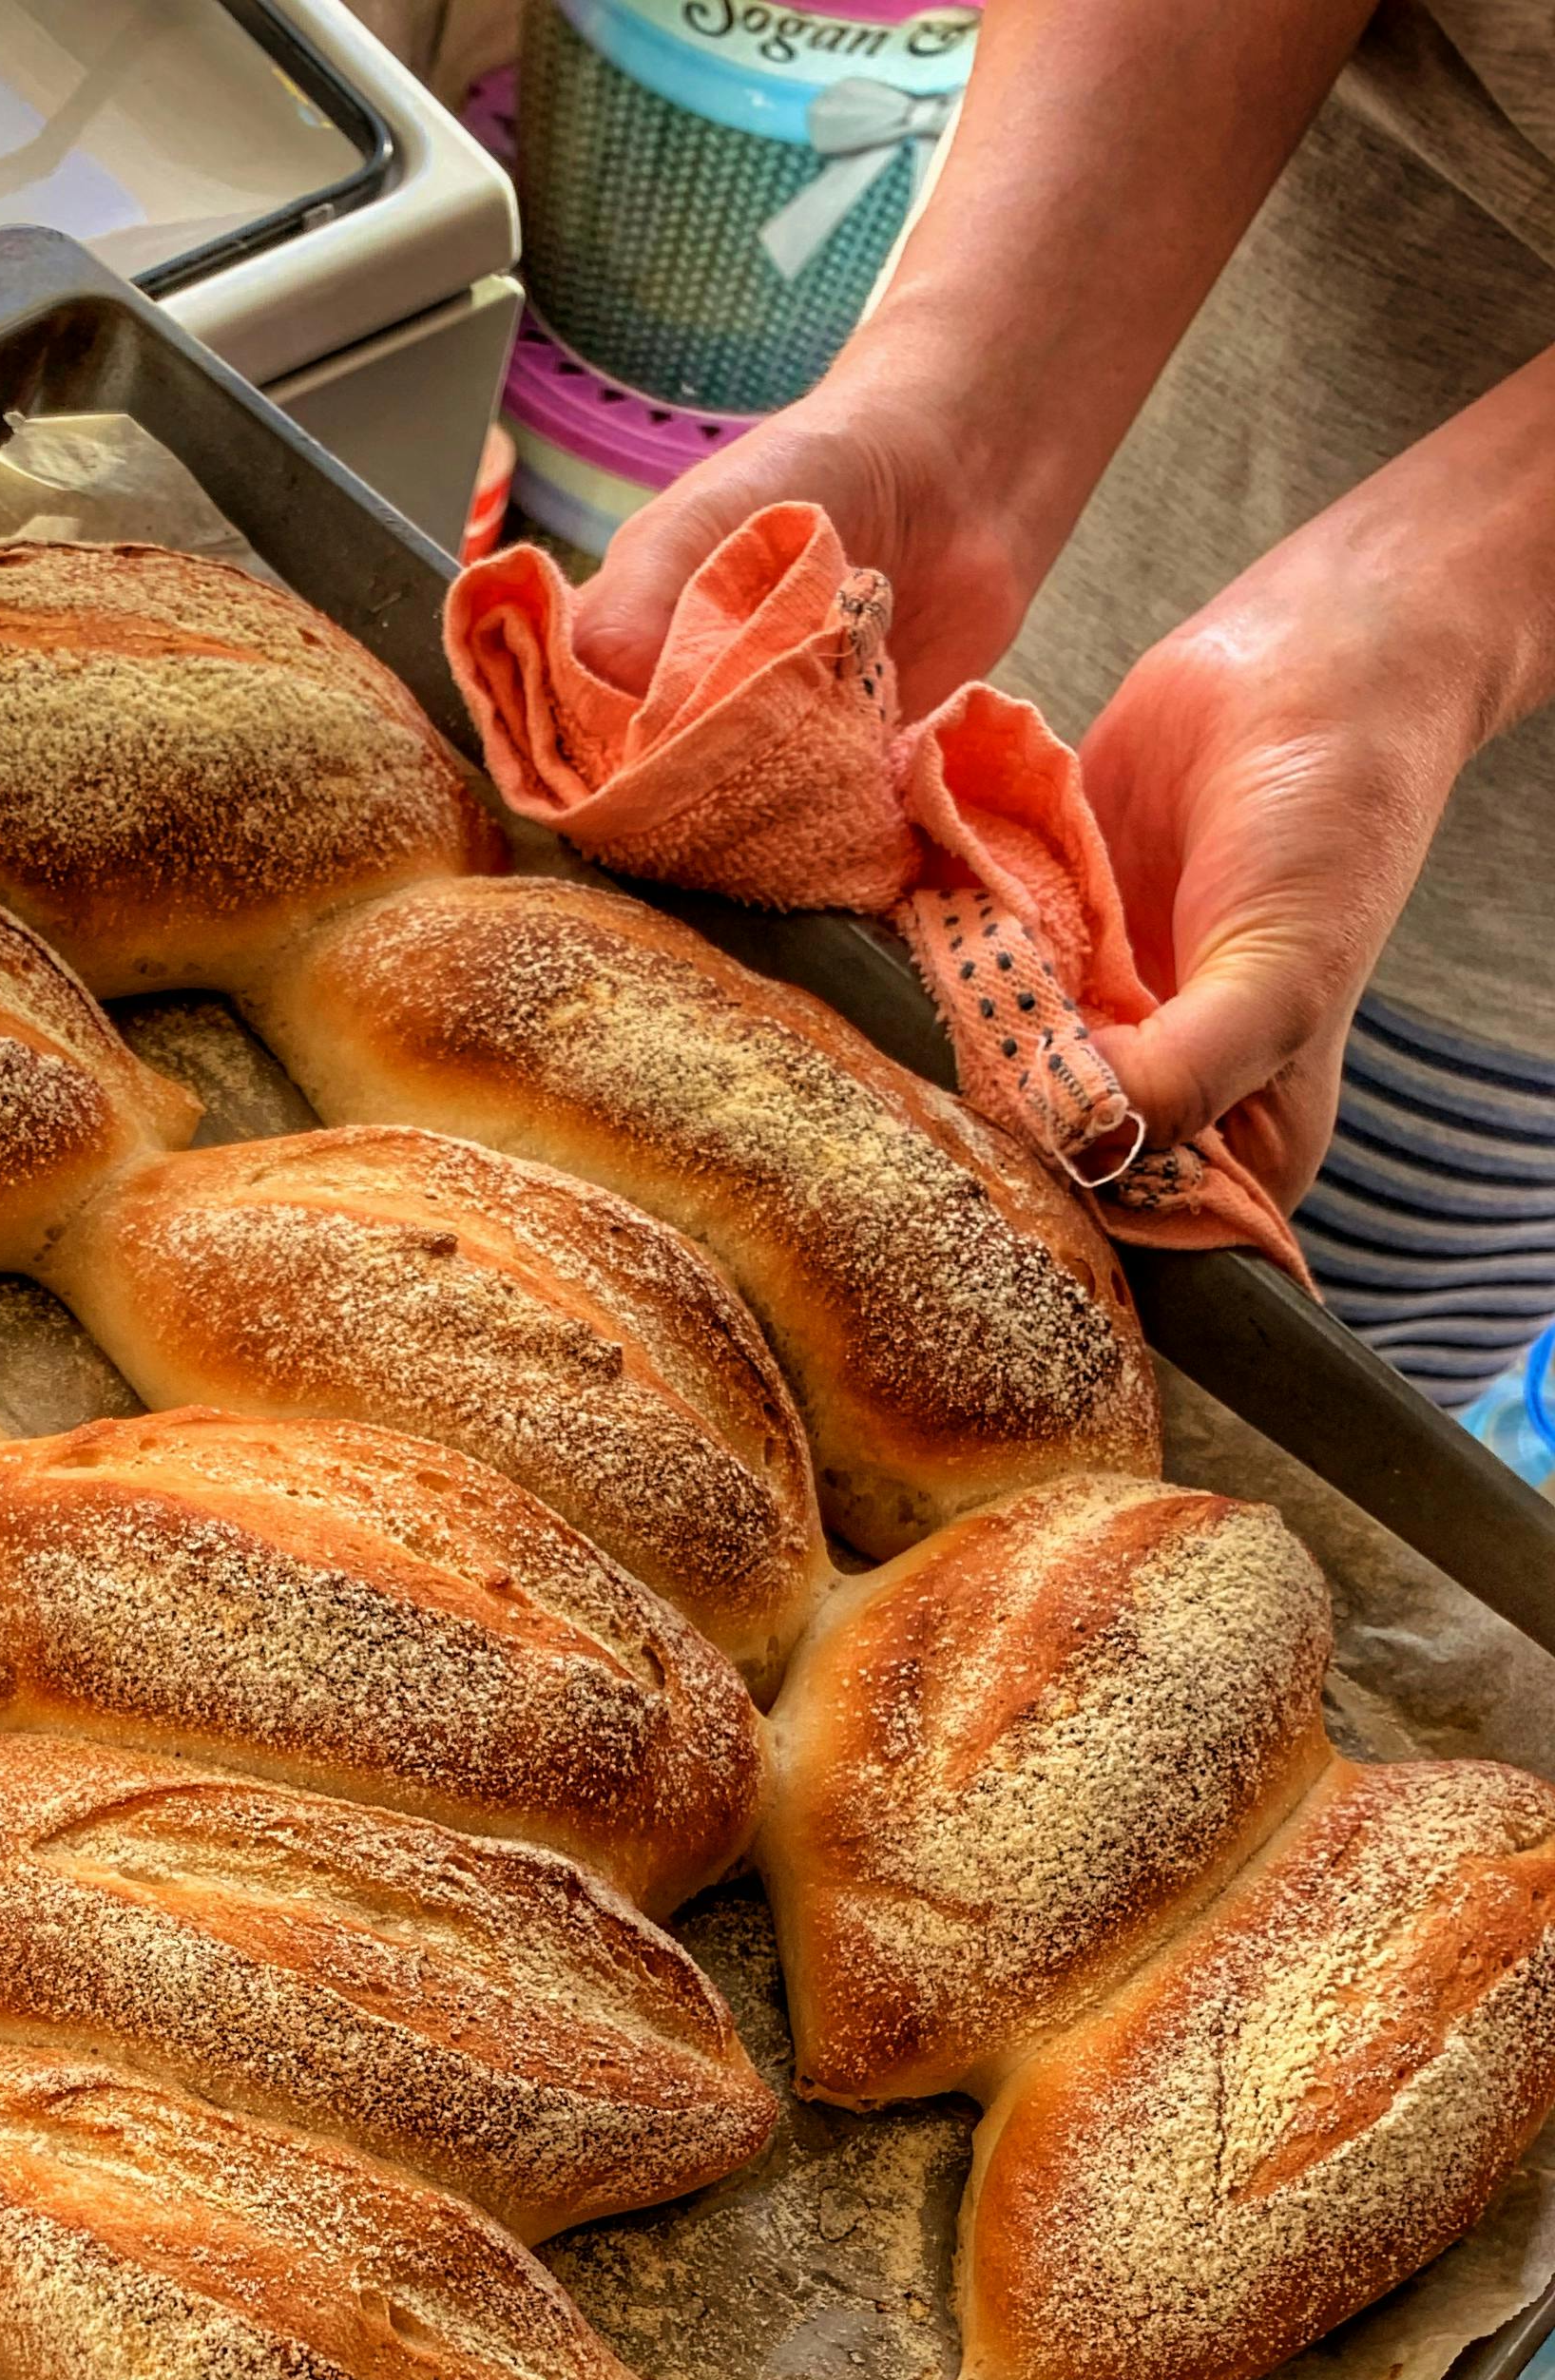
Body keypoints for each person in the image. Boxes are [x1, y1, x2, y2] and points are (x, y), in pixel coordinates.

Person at [565, 3, 1555, 1403]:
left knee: (1244, 1398)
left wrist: (1426, 624)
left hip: (1501, 928)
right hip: (1096, 433)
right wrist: (960, 417)